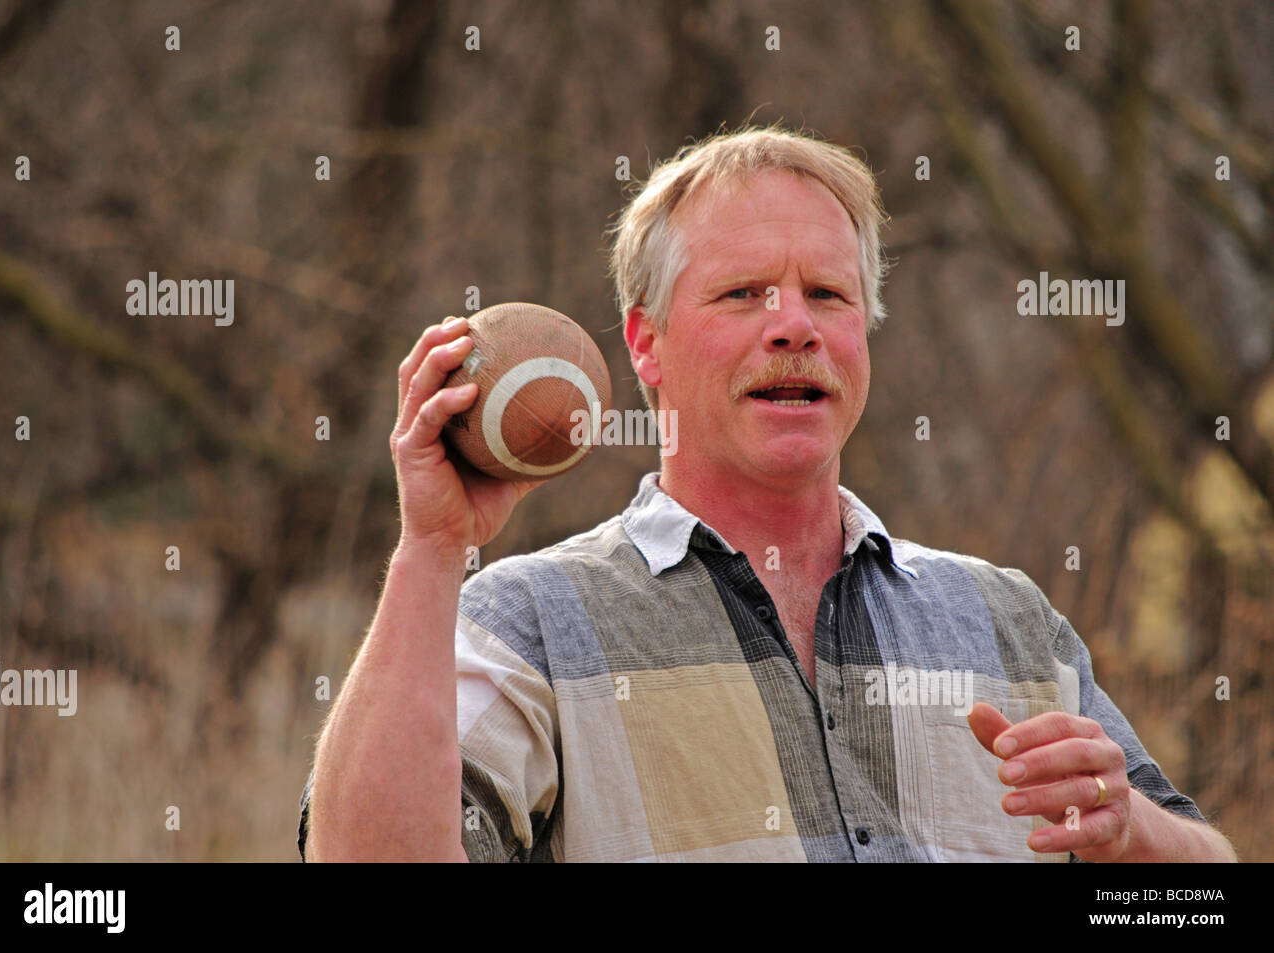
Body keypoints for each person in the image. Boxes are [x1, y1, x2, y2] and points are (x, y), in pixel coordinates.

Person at [299, 125, 1236, 862]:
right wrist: (431, 545)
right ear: (646, 344)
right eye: (744, 293)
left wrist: (1133, 837)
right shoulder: (530, 623)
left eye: (827, 294)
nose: (794, 325)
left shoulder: (1004, 619)